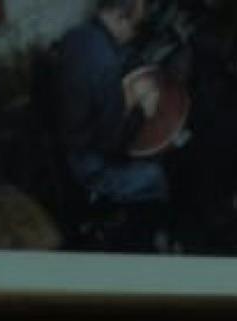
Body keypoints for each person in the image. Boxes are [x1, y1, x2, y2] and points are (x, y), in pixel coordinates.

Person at [54, 0, 170, 217]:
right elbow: (112, 144)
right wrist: (140, 109)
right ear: (119, 17)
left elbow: (123, 53)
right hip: (87, 161)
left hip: (68, 133)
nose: (135, 35)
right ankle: (147, 224)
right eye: (136, 26)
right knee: (155, 176)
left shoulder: (76, 34)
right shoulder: (106, 66)